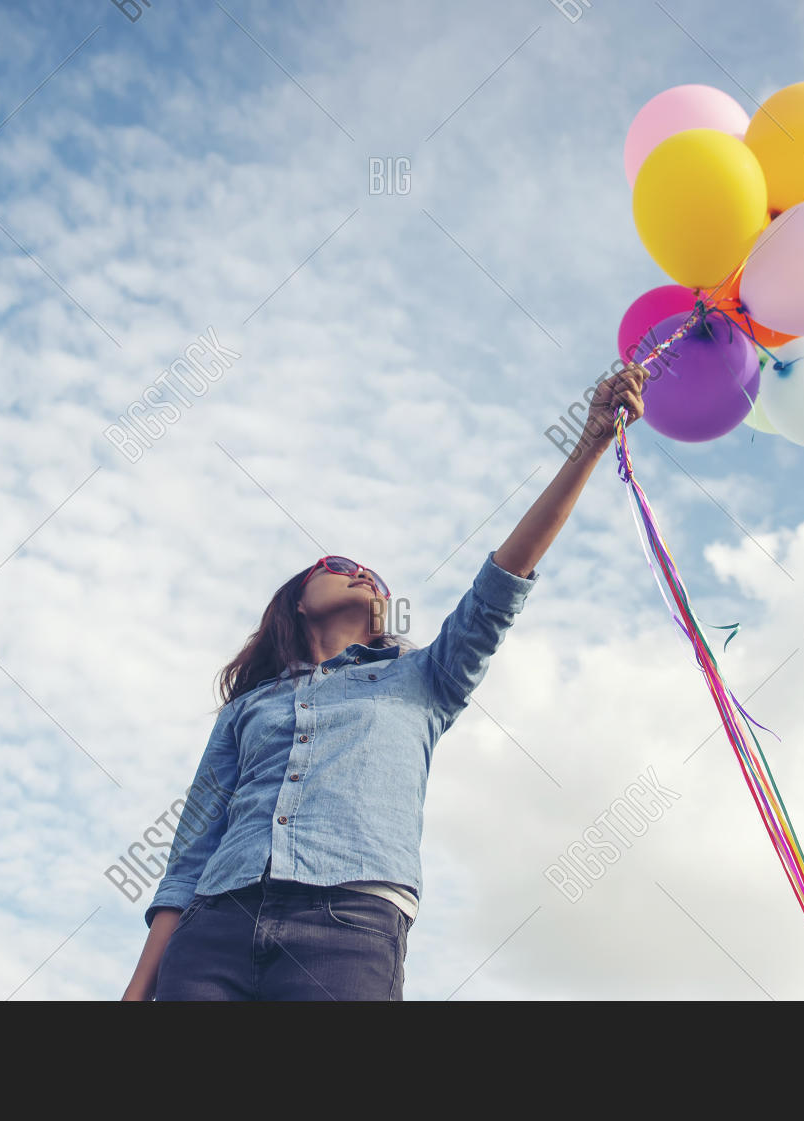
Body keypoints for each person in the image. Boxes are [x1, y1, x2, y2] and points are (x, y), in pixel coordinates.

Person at [123, 362, 650, 1000]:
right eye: (342, 565)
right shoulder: (248, 708)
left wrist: (590, 441)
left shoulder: (424, 676)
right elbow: (186, 861)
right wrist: (136, 993)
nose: (365, 576)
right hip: (215, 931)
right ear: (295, 599)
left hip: (347, 925)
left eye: (375, 577)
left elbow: (500, 584)